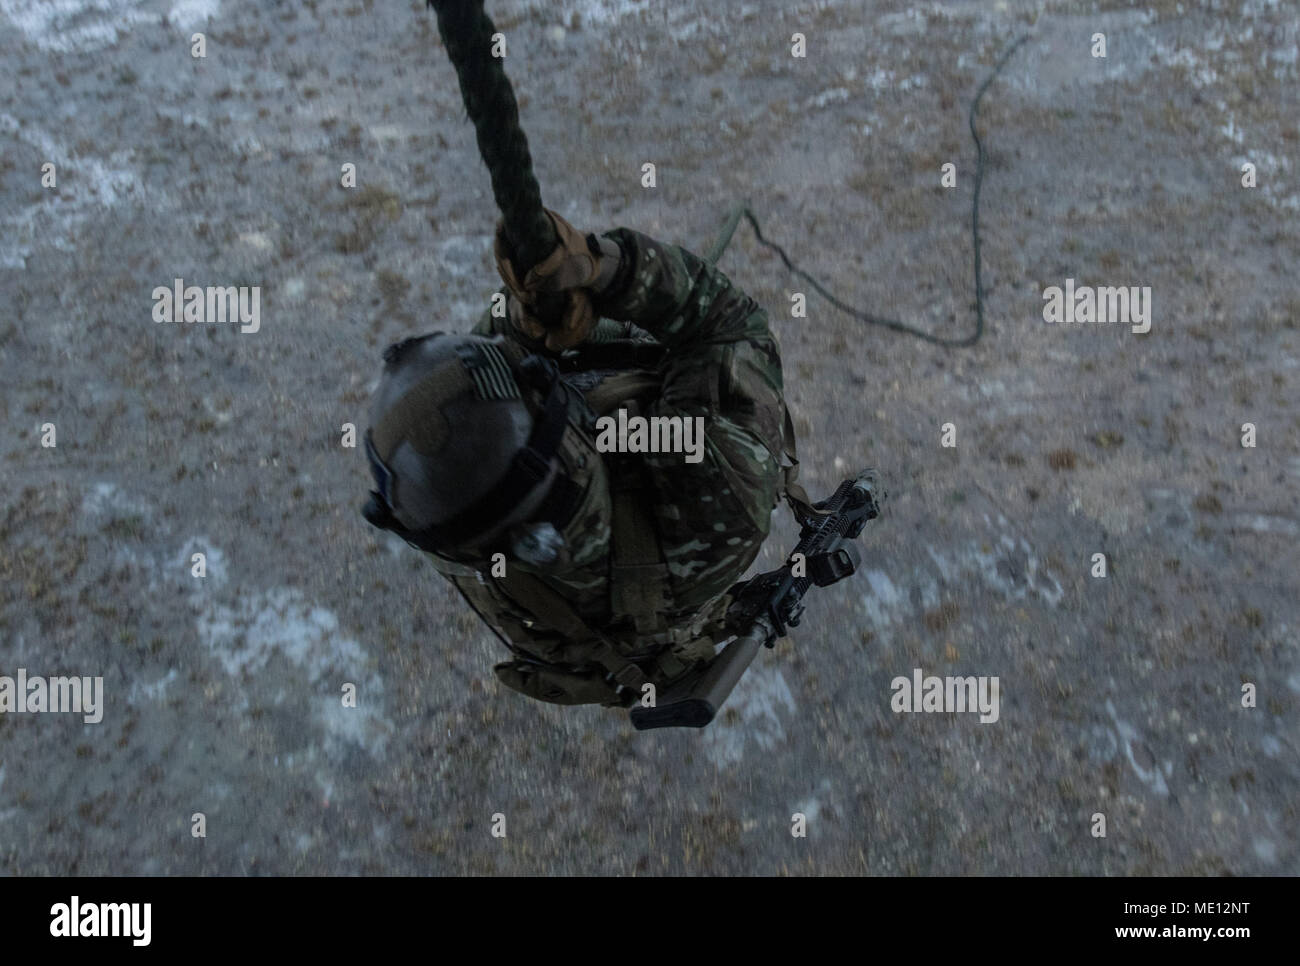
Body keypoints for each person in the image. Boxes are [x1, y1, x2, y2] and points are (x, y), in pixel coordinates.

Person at [360, 209, 808, 710]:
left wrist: (525, 318)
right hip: (675, 577)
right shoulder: (712, 497)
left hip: (588, 618)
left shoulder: (439, 514)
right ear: (570, 442)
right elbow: (729, 324)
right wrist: (609, 270)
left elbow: (472, 397)